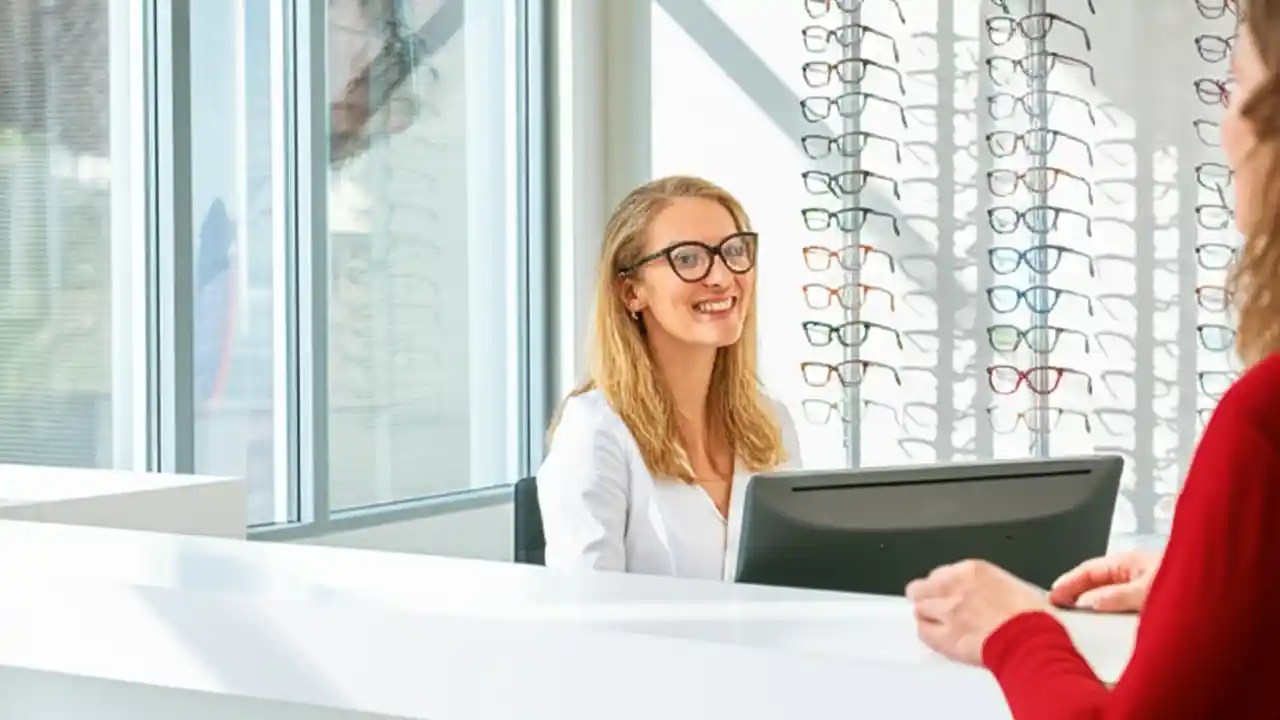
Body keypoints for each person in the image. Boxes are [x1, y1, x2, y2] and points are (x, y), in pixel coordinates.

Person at [906, 3, 1280, 716]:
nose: (1223, 127)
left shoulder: (1265, 421)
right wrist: (1206, 586)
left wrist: (1014, 630)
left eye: (1234, 86)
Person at [535, 175, 801, 581]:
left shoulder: (771, 421)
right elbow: (584, 622)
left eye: (733, 251)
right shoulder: (595, 431)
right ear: (631, 292)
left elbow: (799, 588)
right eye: (688, 258)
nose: (722, 276)